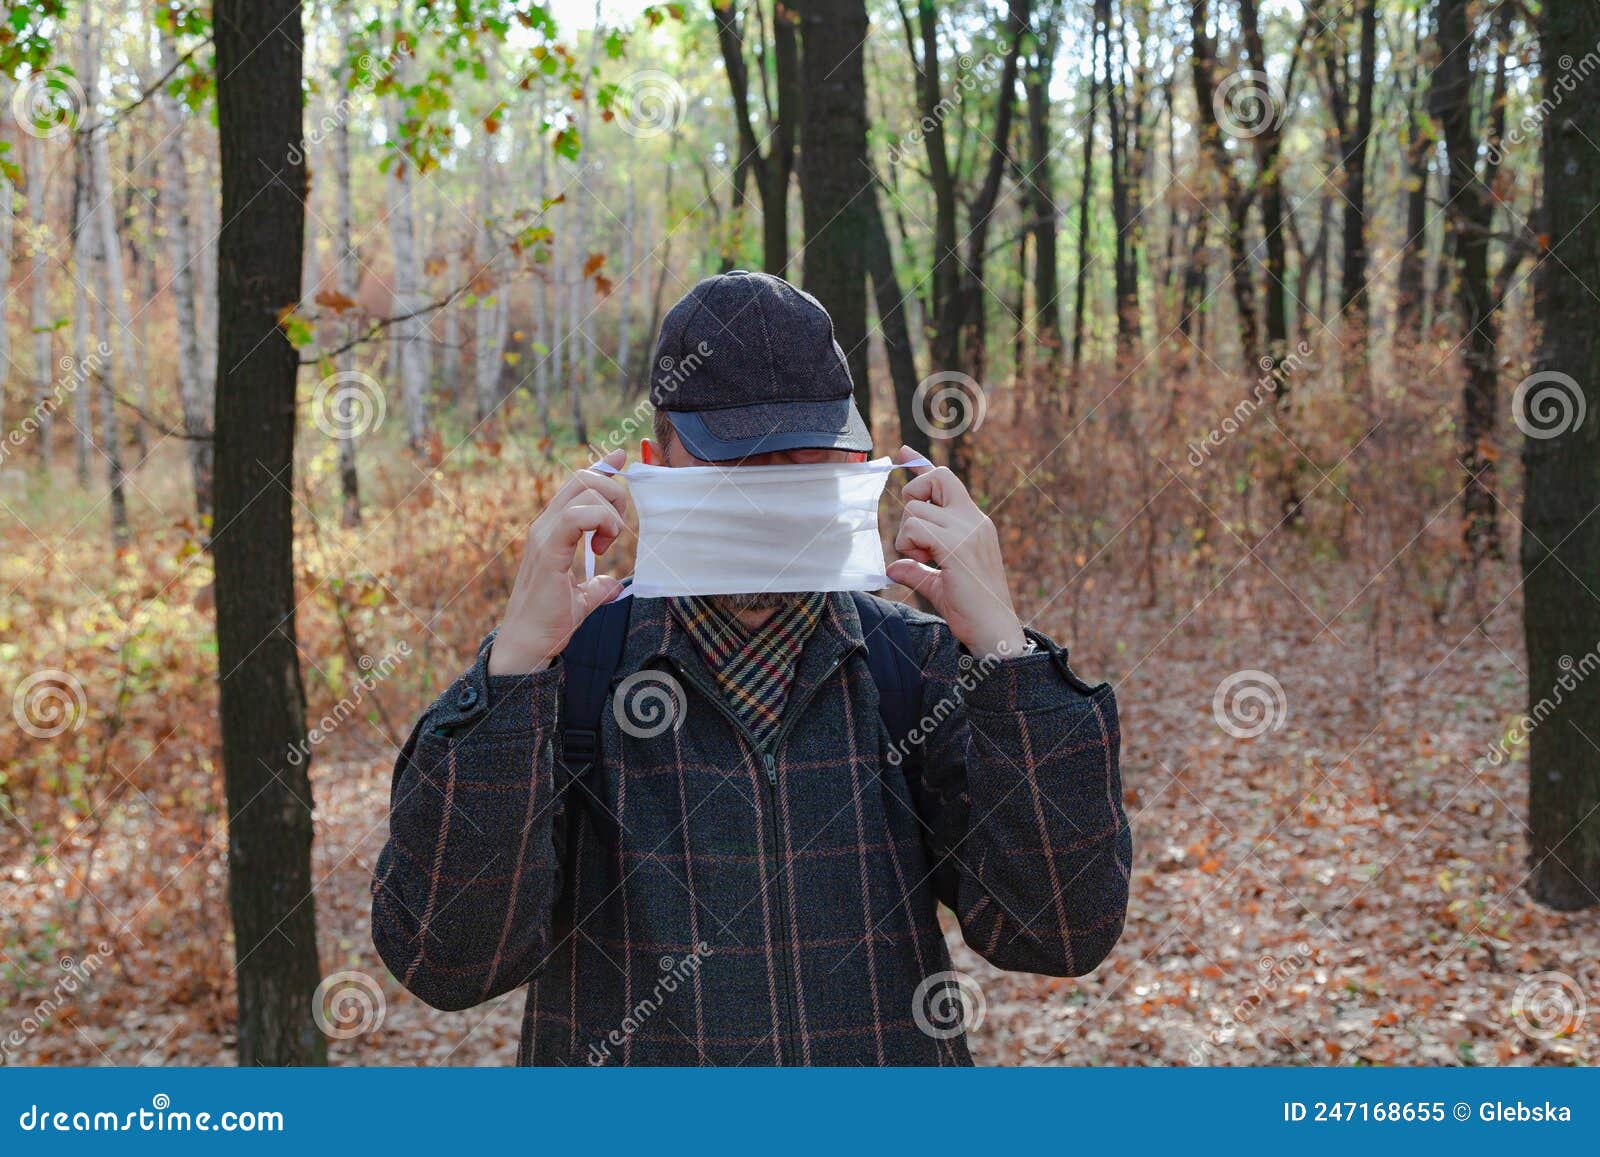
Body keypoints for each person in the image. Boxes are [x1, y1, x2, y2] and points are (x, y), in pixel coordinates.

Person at [371, 270, 1130, 1065]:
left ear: (854, 453)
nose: (773, 481)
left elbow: (1061, 930)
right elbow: (447, 960)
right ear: (651, 462)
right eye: (737, 454)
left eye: (804, 450)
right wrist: (514, 667)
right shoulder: (573, 677)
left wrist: (1006, 653)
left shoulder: (916, 667)